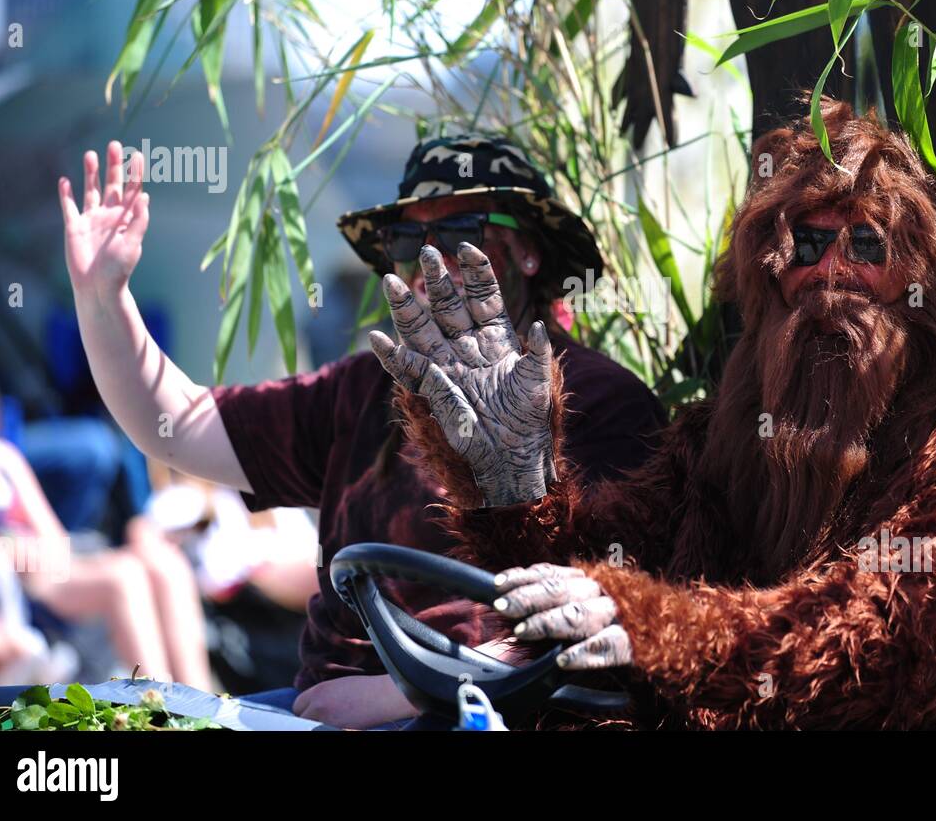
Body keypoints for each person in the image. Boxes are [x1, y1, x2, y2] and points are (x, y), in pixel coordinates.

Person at [373, 99, 936, 730]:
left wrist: (668, 629)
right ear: (769, 279)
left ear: (925, 283)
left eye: (869, 244)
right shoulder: (720, 444)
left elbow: (908, 640)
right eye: (809, 244)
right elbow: (591, 589)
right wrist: (515, 484)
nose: (832, 272)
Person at [58, 134, 665, 728]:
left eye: (458, 234)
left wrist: (408, 693)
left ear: (527, 251)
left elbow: (611, 614)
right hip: (312, 711)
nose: (429, 260)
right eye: (407, 242)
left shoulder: (597, 400)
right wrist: (102, 296)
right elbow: (179, 428)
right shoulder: (368, 387)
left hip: (482, 712)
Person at [0, 349, 210, 687]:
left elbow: (51, 533)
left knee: (165, 565)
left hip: (47, 569)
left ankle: (200, 695)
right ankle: (161, 703)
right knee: (122, 577)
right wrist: (4, 548)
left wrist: (35, 549)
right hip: (6, 587)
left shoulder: (1, 458)